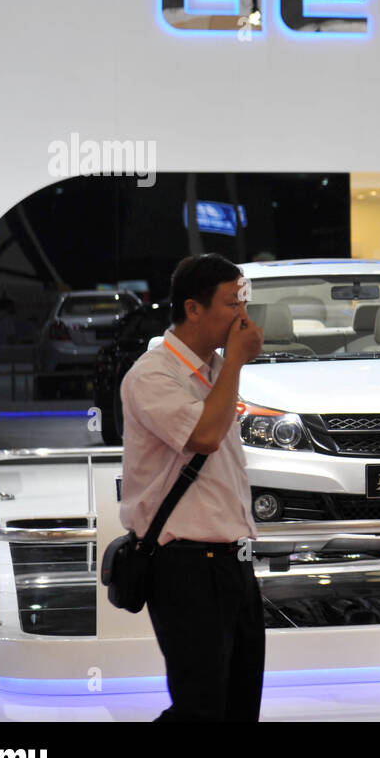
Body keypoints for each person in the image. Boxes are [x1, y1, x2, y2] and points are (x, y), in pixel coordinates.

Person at [119, 253, 266, 722]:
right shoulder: (153, 374)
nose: (243, 317)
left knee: (240, 702)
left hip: (234, 560)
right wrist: (237, 365)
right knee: (201, 706)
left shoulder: (216, 369)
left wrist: (230, 366)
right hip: (183, 565)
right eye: (231, 305)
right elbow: (202, 436)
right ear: (193, 308)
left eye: (244, 303)